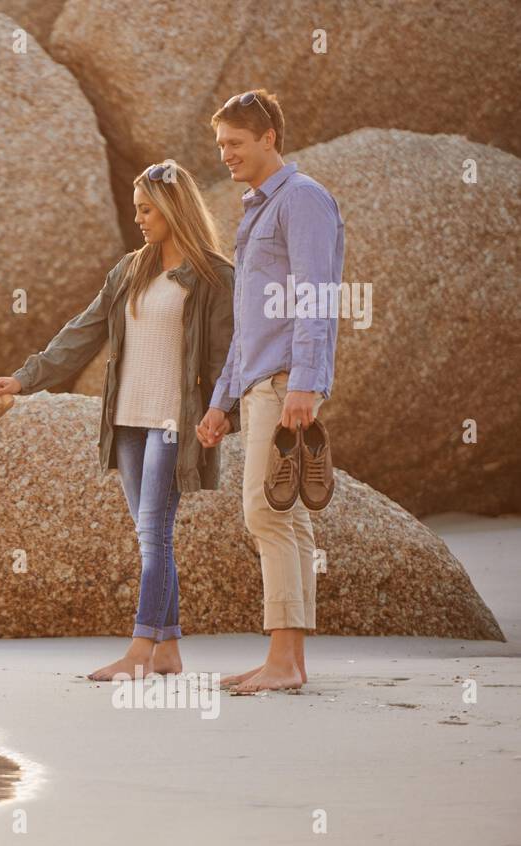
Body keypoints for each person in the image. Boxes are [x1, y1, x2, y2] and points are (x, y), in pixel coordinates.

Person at [0, 160, 237, 681]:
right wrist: (24, 378)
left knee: (154, 535)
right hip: (126, 423)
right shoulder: (129, 271)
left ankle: (139, 651)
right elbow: (82, 332)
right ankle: (168, 650)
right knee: (151, 536)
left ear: (173, 208)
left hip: (173, 422)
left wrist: (223, 414)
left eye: (147, 210)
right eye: (137, 210)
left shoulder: (214, 277)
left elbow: (224, 359)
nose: (140, 220)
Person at [199, 89, 344, 692]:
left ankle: (283, 662)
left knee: (264, 512)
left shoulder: (302, 200)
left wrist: (306, 384)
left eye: (235, 143)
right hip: (261, 380)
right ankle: (290, 662)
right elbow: (250, 318)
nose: (226, 154)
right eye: (221, 145)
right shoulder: (256, 209)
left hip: (287, 381)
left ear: (268, 139)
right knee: (288, 517)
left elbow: (317, 296)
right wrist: (220, 401)